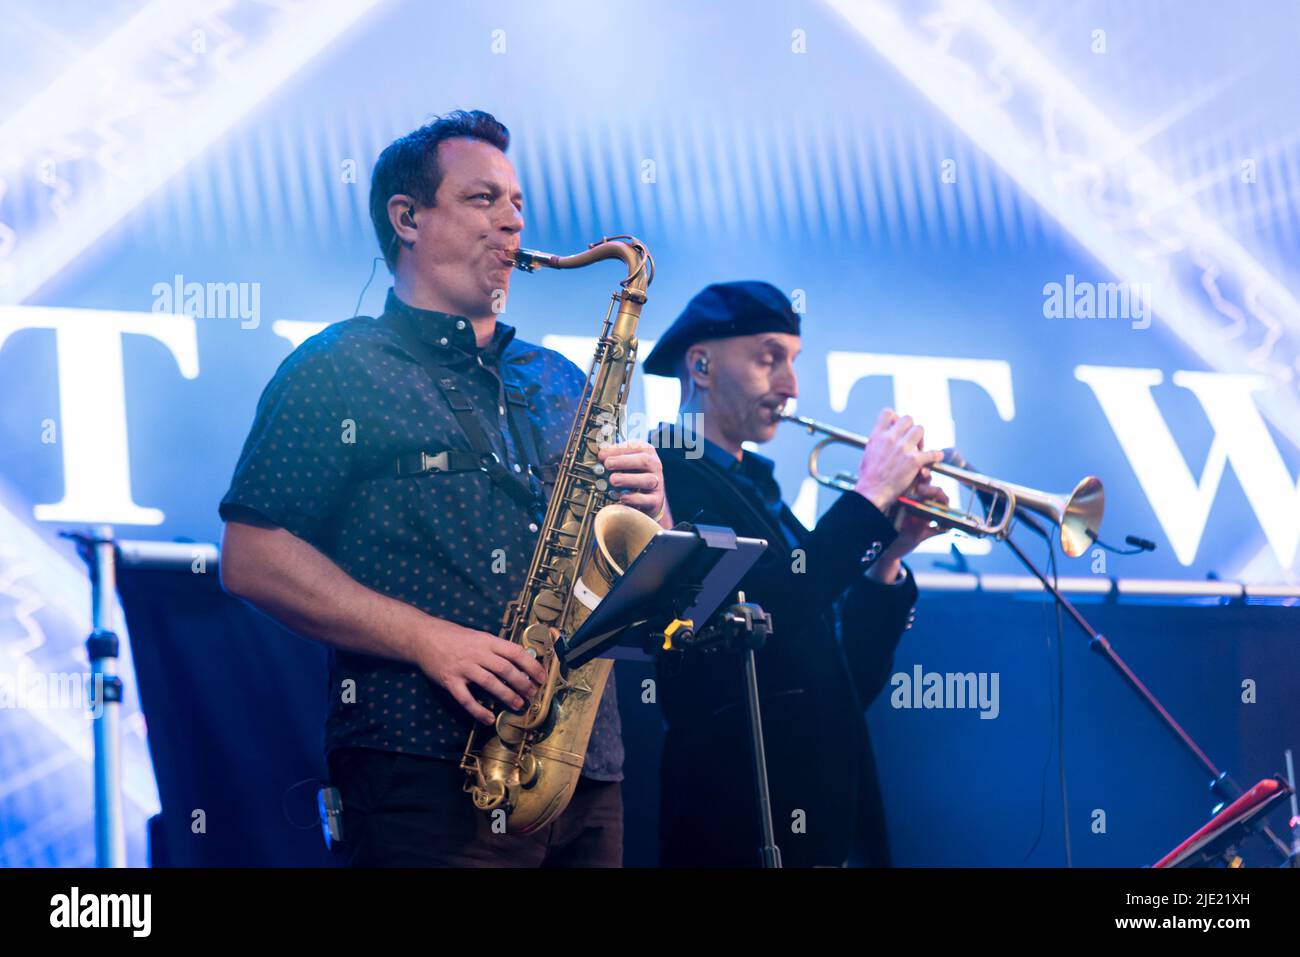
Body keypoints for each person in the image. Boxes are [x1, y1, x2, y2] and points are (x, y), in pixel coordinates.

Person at [218, 110, 670, 867]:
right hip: (424, 766)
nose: (513, 223)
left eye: (518, 204)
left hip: (582, 771)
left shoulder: (562, 382)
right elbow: (251, 556)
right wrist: (427, 638)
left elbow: (623, 572)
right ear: (408, 218)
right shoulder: (337, 367)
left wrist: (651, 510)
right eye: (483, 199)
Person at [643, 281, 946, 867]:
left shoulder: (761, 488)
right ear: (701, 365)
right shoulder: (667, 474)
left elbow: (846, 675)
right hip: (741, 813)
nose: (791, 385)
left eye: (793, 360)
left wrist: (890, 554)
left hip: (829, 813)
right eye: (768, 357)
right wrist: (870, 495)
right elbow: (764, 612)